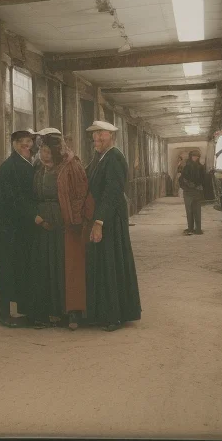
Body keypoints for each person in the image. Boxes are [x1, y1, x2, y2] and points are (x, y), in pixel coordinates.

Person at [28, 134, 93, 330]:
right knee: (46, 266)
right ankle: (51, 311)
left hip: (64, 222)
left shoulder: (71, 166)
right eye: (41, 151)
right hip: (41, 222)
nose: (43, 155)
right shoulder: (38, 168)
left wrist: (74, 220)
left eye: (48, 152)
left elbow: (80, 194)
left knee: (66, 266)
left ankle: (71, 313)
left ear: (57, 152)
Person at [84, 121, 142, 332]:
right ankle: (106, 312)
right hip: (104, 215)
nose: (97, 140)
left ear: (112, 137)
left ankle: (114, 315)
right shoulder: (100, 157)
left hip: (110, 219)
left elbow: (112, 192)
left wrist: (99, 222)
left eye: (102, 136)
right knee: (105, 263)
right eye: (95, 137)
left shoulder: (115, 157)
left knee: (111, 262)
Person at [0, 128, 38, 328]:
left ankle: (23, 309)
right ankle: (3, 314)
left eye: (28, 141)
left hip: (22, 227)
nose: (25, 144)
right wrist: (33, 215)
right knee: (8, 270)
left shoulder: (29, 164)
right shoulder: (9, 167)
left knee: (22, 267)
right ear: (14, 144)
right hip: (9, 227)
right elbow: (13, 199)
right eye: (21, 141)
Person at [180, 149, 206, 235]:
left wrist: (198, 186)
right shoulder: (186, 167)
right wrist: (187, 185)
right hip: (188, 192)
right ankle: (190, 228)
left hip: (197, 192)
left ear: (198, 157)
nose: (195, 158)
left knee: (197, 211)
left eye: (197, 156)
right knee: (189, 211)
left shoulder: (201, 167)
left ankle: (198, 229)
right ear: (191, 157)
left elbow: (203, 180)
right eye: (193, 156)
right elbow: (182, 179)